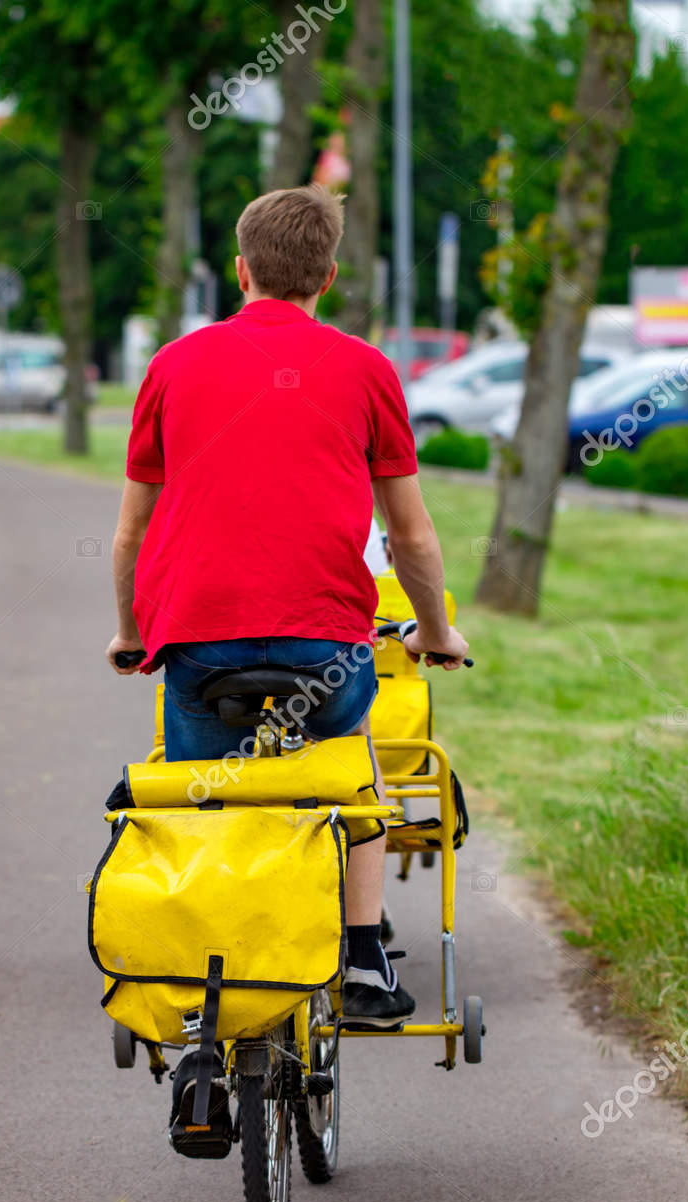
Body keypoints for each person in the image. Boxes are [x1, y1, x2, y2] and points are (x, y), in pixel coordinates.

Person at [106, 184, 467, 1030]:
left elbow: (130, 534)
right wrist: (435, 632)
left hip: (197, 641)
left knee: (205, 799)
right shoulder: (365, 370)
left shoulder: (171, 367)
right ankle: (366, 959)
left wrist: (131, 634)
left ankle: (204, 999)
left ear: (239, 271)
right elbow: (409, 537)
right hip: (325, 643)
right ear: (328, 278)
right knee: (353, 775)